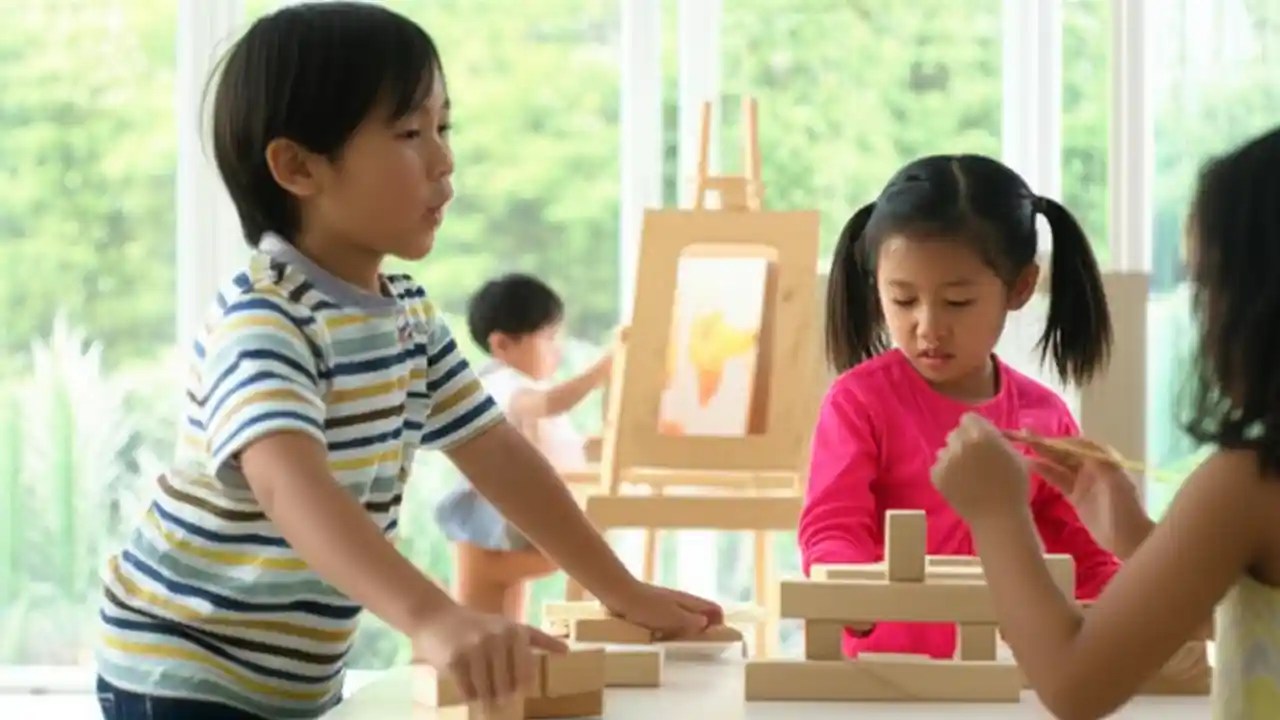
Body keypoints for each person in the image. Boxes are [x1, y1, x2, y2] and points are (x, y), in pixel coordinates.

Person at [92, 5, 721, 720]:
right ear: (299, 167)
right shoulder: (266, 317)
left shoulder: (408, 314)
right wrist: (434, 617)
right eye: (410, 133)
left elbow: (499, 456)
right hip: (183, 664)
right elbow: (288, 488)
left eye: (443, 128)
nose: (444, 159)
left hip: (288, 683)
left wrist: (621, 590)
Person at [931, 128, 1280, 719]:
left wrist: (996, 514)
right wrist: (1133, 537)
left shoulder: (1248, 485)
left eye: (1206, 283)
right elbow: (1233, 610)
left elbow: (1075, 685)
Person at [798, 154, 1121, 660]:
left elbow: (1085, 549)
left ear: (1019, 288)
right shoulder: (859, 403)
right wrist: (851, 598)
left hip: (1010, 675)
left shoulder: (1044, 418)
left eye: (957, 302)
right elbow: (834, 525)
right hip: (883, 675)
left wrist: (1117, 609)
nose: (928, 327)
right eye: (903, 301)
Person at [435, 273, 613, 621]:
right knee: (494, 610)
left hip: (512, 521)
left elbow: (564, 445)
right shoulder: (502, 384)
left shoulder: (525, 387)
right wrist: (604, 368)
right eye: (547, 338)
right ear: (502, 345)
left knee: (506, 616)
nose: (557, 349)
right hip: (493, 521)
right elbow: (548, 404)